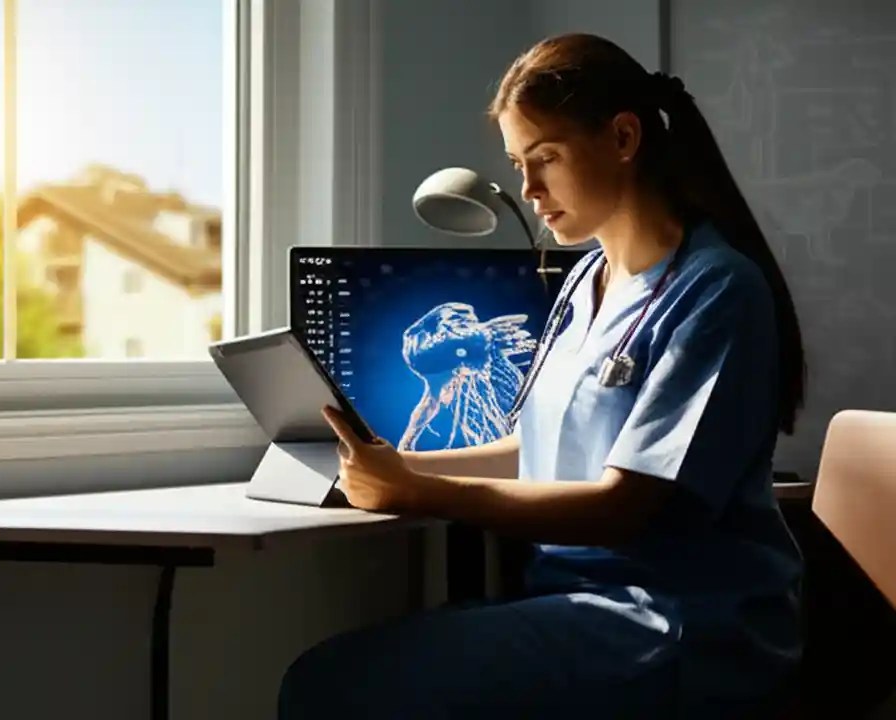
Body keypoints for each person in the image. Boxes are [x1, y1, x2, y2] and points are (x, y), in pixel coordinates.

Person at [278, 33, 806, 719]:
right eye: (517, 165)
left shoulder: (717, 290)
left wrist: (426, 494)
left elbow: (628, 504)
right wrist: (398, 467)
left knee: (328, 687)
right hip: (574, 601)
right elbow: (539, 447)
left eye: (545, 159)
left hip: (680, 623)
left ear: (623, 137)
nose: (527, 190)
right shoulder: (587, 279)